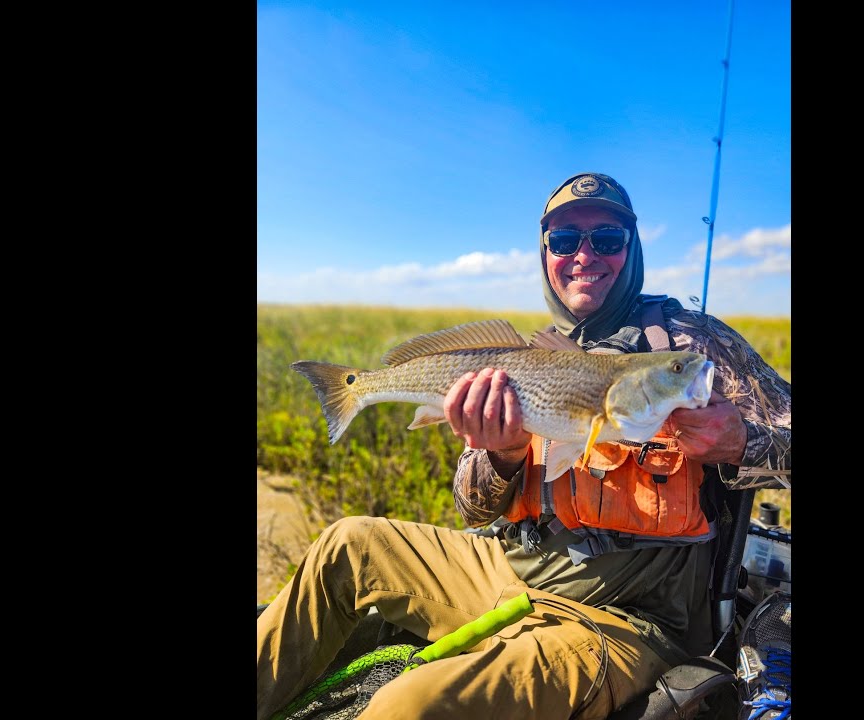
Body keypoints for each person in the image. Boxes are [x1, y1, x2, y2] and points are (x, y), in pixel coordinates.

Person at [256, 172, 791, 720]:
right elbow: (473, 508)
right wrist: (502, 453)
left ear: (631, 249)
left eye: (606, 238)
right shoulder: (526, 357)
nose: (585, 255)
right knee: (346, 544)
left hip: (626, 619)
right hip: (513, 569)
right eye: (564, 241)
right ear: (544, 254)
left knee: (410, 705)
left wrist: (743, 442)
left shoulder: (692, 346)